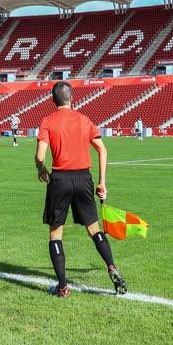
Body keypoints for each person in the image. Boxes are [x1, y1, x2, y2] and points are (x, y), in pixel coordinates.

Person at [36, 81, 126, 298]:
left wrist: (41, 168)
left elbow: (40, 156)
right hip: (84, 178)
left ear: (53, 100)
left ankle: (63, 288)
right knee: (94, 229)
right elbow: (102, 149)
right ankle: (112, 266)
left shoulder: (48, 121)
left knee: (56, 235)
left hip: (60, 180)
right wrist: (102, 182)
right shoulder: (84, 120)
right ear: (71, 98)